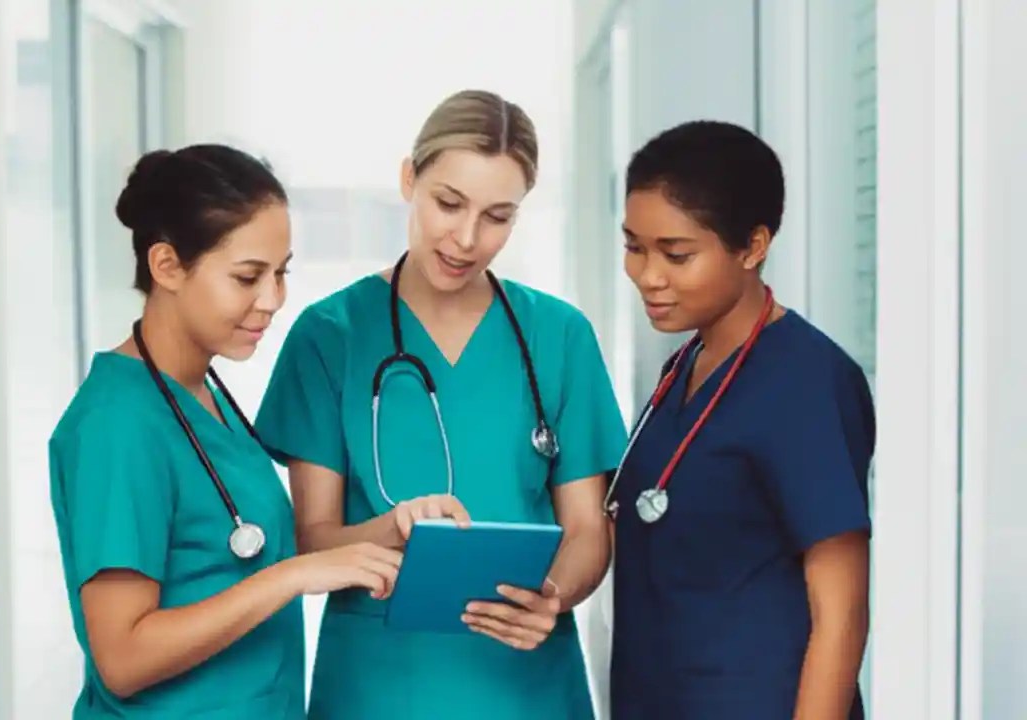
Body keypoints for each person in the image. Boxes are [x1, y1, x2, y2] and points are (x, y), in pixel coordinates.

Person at [254, 89, 629, 719]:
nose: (466, 238)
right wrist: (396, 527)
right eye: (448, 203)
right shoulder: (331, 336)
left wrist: (554, 597)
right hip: (379, 686)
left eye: (498, 216)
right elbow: (312, 538)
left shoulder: (559, 336)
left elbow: (588, 526)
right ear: (409, 179)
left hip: (527, 686)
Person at [47, 144, 402, 719]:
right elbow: (123, 657)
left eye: (281, 273)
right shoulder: (118, 426)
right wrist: (292, 577)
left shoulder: (205, 394)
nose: (273, 301)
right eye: (247, 277)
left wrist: (384, 533)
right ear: (166, 266)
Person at [607, 120, 873, 719]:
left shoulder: (805, 381)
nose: (649, 276)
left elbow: (842, 614)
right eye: (634, 246)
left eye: (676, 254)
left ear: (753, 246)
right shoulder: (685, 367)